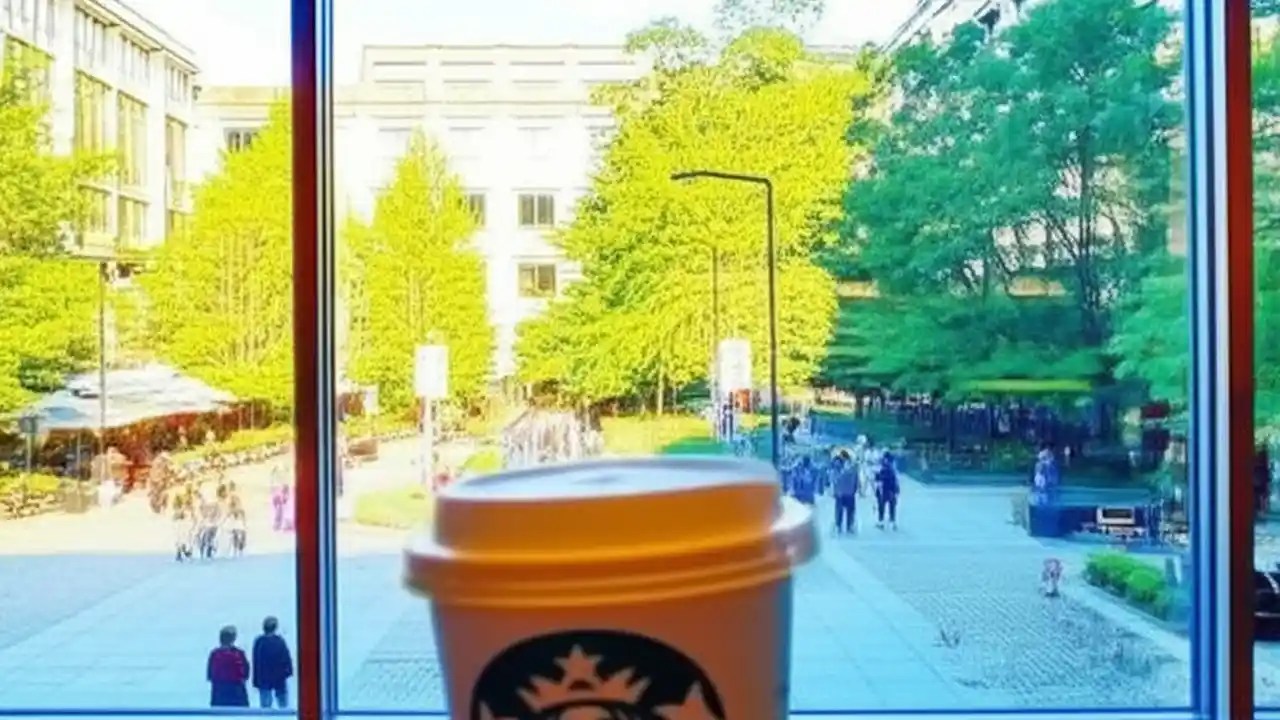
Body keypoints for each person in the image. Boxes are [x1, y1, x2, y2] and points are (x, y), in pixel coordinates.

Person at [252, 616, 294, 709]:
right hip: (279, 676)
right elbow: (286, 658)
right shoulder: (279, 641)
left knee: (265, 706)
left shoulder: (259, 641)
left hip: (264, 677)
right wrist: (288, 671)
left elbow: (256, 661)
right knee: (283, 704)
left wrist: (256, 680)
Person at [206, 625, 250, 707]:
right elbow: (245, 673)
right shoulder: (239, 654)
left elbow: (210, 674)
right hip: (236, 691)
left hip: (219, 691)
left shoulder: (215, 654)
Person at [832, 450, 859, 535]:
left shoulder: (837, 467)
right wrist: (855, 489)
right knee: (849, 511)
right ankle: (848, 526)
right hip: (849, 492)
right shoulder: (852, 467)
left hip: (841, 493)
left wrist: (835, 491)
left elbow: (835, 480)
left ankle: (839, 526)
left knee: (840, 511)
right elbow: (856, 480)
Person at [875, 451, 901, 530]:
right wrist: (897, 490)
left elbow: (878, 479)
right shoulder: (893, 468)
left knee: (881, 507)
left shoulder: (882, 468)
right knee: (892, 507)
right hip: (892, 490)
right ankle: (892, 522)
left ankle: (881, 522)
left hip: (884, 490)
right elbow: (896, 480)